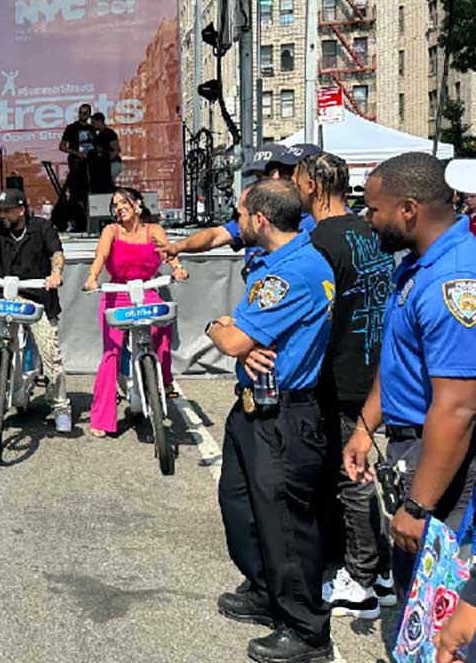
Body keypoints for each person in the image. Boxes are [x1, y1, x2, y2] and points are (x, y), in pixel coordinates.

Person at [207, 179, 335, 663]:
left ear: (260, 218)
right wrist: (227, 330)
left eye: (241, 213)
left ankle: (306, 631)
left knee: (283, 523)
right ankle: (265, 591)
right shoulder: (277, 261)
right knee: (240, 504)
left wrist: (218, 328)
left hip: (283, 414)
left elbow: (237, 340)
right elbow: (241, 338)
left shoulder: (293, 271)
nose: (236, 222)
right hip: (254, 407)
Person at [341, 152, 476, 603]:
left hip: (441, 460)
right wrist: (365, 428)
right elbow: (400, 359)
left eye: (374, 209)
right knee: (413, 596)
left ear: (408, 210)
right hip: (411, 446)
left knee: (438, 612)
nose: (368, 219)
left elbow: (458, 407)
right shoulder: (416, 266)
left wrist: (418, 506)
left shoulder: (452, 280)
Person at [281, 151, 395, 616]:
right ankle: (383, 571)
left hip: (343, 370)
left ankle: (361, 579)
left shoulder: (321, 242)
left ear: (311, 185)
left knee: (351, 475)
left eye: (295, 181)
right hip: (373, 364)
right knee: (361, 469)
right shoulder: (371, 231)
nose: (294, 189)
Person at [83, 188, 187, 437]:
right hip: (117, 293)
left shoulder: (154, 231)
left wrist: (178, 268)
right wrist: (91, 278)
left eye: (123, 202)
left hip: (147, 290)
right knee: (111, 354)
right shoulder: (111, 231)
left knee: (162, 330)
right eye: (114, 204)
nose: (119, 207)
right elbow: (101, 256)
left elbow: (168, 254)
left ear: (138, 204)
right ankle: (102, 419)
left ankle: (163, 380)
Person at [0, 188, 69, 430]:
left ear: (21, 210)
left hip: (38, 297)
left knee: (50, 354)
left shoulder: (42, 227)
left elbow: (56, 253)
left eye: (7, 211)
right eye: (0, 211)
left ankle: (60, 405)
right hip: (6, 293)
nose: (3, 215)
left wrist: (55, 274)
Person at [162, 144, 320, 278]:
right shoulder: (251, 216)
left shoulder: (313, 219)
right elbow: (215, 236)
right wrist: (178, 247)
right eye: (257, 178)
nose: (260, 185)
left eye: (265, 177)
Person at [59, 103, 97, 232]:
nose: (82, 115)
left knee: (89, 192)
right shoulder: (72, 128)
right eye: (80, 112)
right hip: (76, 164)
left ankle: (88, 220)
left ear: (89, 114)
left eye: (85, 113)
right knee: (75, 193)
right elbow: (62, 146)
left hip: (91, 165)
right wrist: (77, 153)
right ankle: (75, 221)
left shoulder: (92, 129)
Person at [89, 112, 120, 193]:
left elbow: (116, 150)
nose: (92, 125)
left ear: (99, 121)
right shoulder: (98, 136)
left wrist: (106, 161)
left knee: (105, 184)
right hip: (103, 166)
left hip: (113, 164)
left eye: (93, 122)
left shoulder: (109, 133)